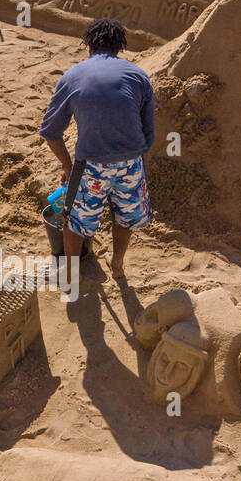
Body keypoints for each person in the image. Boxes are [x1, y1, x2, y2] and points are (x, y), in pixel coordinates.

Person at [38, 17, 154, 285]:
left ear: (89, 44)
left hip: (90, 164)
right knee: (124, 216)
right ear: (119, 46)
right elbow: (149, 134)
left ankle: (70, 273)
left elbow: (50, 133)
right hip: (131, 161)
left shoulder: (73, 76)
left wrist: (68, 167)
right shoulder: (138, 76)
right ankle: (117, 265)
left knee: (75, 220)